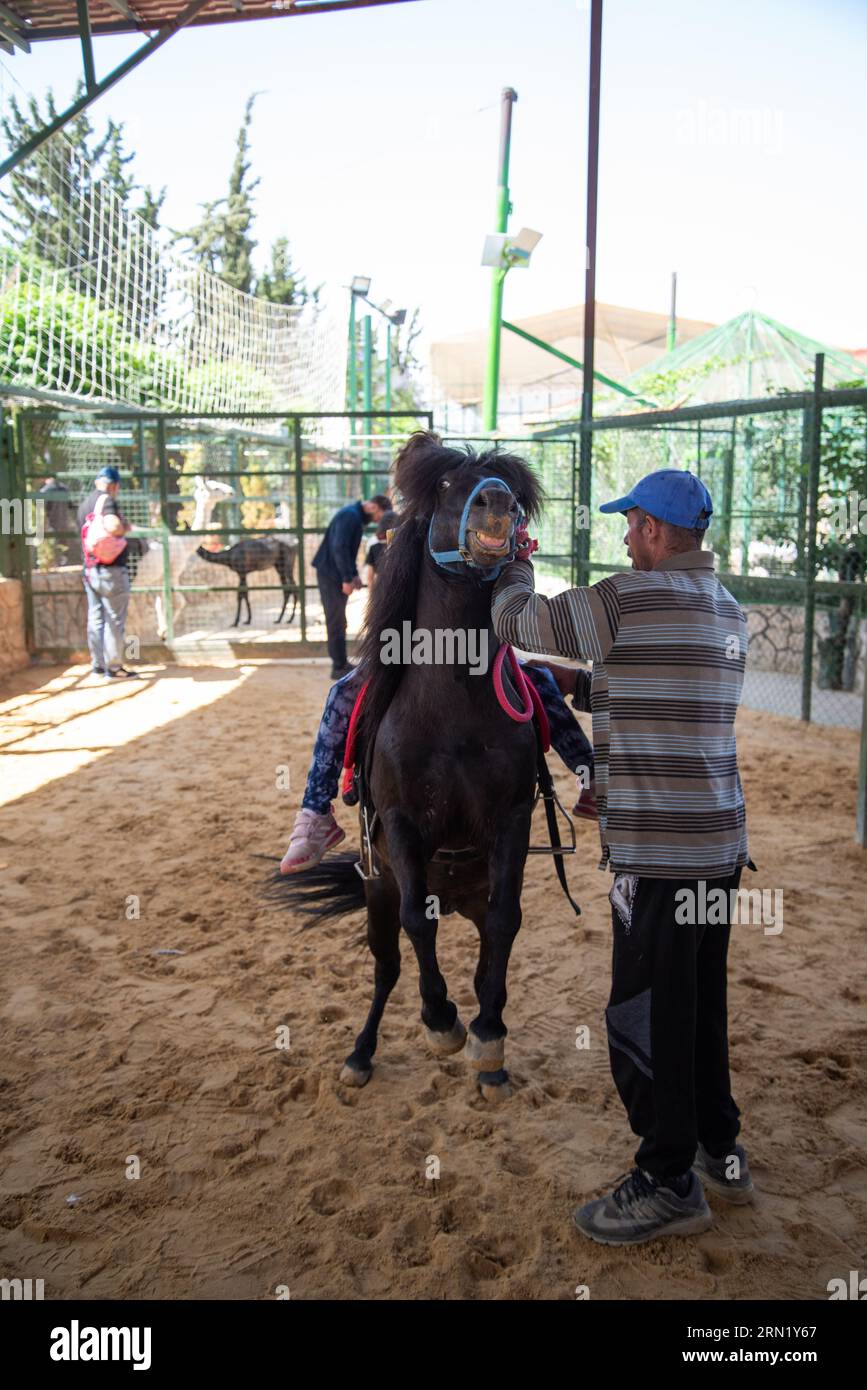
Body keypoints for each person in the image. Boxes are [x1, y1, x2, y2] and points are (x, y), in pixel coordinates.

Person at [492, 468, 752, 1245]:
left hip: (659, 858)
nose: (624, 536)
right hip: (718, 845)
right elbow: (668, 694)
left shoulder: (623, 599)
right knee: (699, 1004)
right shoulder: (725, 608)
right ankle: (718, 1145)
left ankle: (668, 1179)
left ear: (658, 531)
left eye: (631, 523)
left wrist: (513, 559)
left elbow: (518, 623)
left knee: (641, 1015)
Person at [281, 659, 596, 873]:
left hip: (482, 641)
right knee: (343, 692)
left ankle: (591, 778)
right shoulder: (404, 557)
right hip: (407, 641)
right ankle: (317, 810)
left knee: (538, 679)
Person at [313, 494, 390, 679]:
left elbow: (346, 550)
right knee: (335, 620)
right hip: (331, 574)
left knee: (339, 620)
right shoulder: (351, 516)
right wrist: (347, 578)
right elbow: (339, 548)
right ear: (373, 506)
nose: (378, 520)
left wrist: (353, 575)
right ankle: (338, 666)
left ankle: (341, 662)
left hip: (335, 573)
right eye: (379, 515)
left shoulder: (353, 516)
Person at [77, 466, 139, 681]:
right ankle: (113, 668)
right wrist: (125, 527)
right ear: (115, 485)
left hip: (90, 569)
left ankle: (97, 666)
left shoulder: (85, 504)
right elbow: (113, 526)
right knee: (114, 619)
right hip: (111, 570)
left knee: (95, 617)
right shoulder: (108, 501)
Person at [364, 510, 398, 592]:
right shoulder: (402, 545)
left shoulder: (374, 545)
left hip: (380, 588)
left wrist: (371, 595)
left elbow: (370, 576)